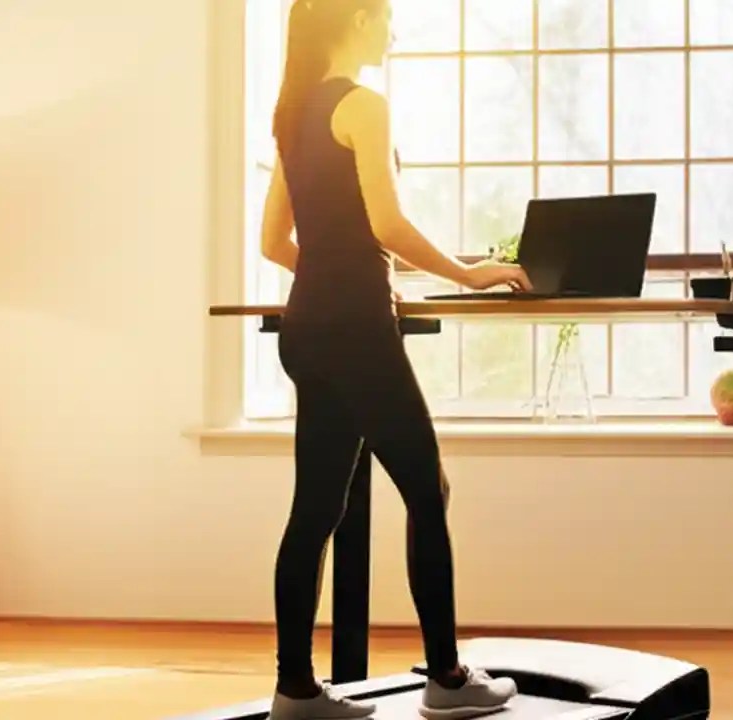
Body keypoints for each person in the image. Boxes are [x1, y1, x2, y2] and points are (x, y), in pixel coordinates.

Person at [258, 1, 533, 718]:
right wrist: (468, 273)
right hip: (354, 332)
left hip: (307, 329)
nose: (393, 30)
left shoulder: (292, 114)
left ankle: (295, 689)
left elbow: (273, 242)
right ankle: (447, 680)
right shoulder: (363, 105)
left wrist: (341, 277)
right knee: (426, 489)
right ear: (356, 19)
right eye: (384, 16)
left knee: (315, 510)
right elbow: (385, 222)